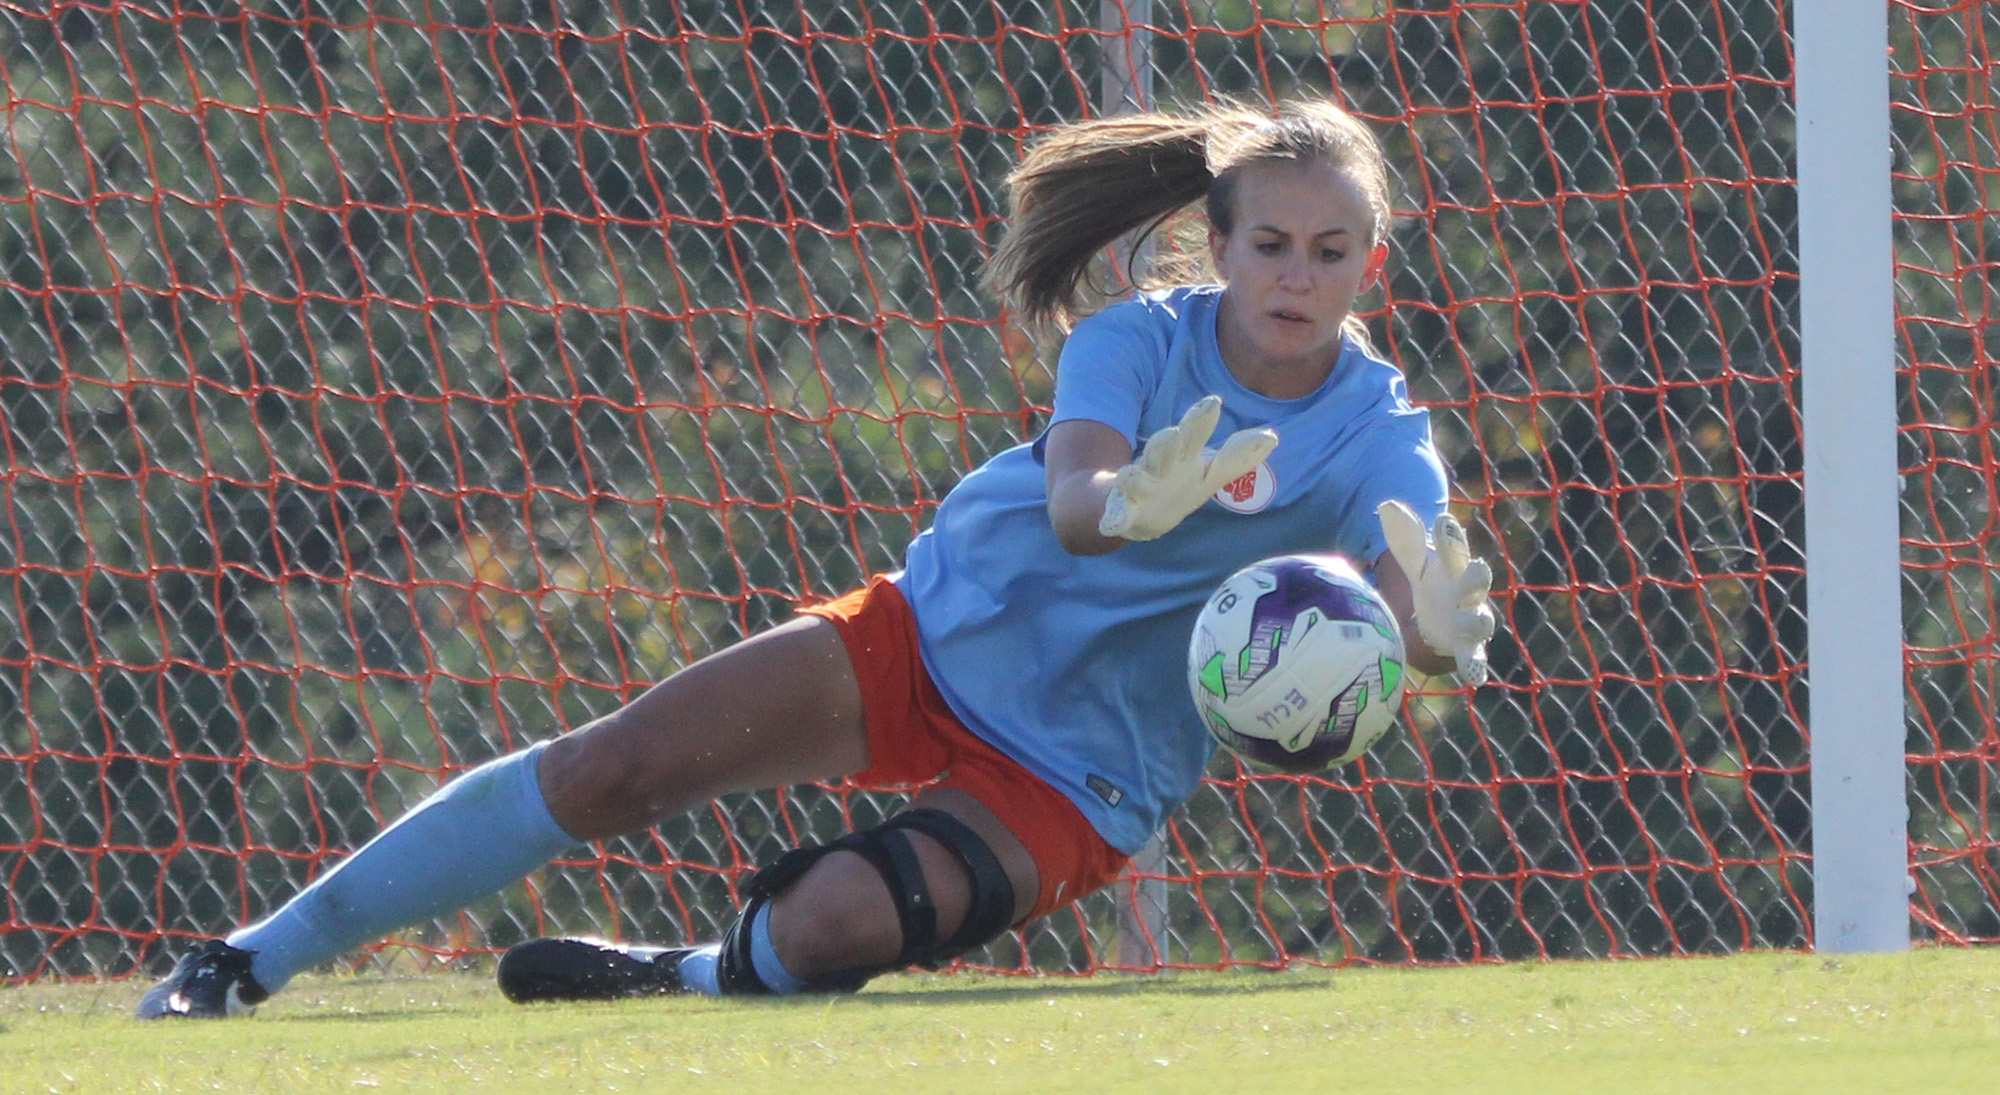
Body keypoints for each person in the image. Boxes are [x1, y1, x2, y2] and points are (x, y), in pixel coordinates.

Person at [135, 97, 1496, 1018]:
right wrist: (1134, 501)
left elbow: (1393, 612)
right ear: (1226, 240)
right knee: (609, 768)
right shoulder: (1137, 338)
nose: (1294, 274)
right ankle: (251, 960)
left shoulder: (1380, 430)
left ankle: (686, 974)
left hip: (1086, 769)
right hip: (938, 637)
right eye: (1271, 243)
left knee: (842, 924)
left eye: (1329, 251)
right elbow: (1081, 495)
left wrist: (1430, 633)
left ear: (1369, 264)